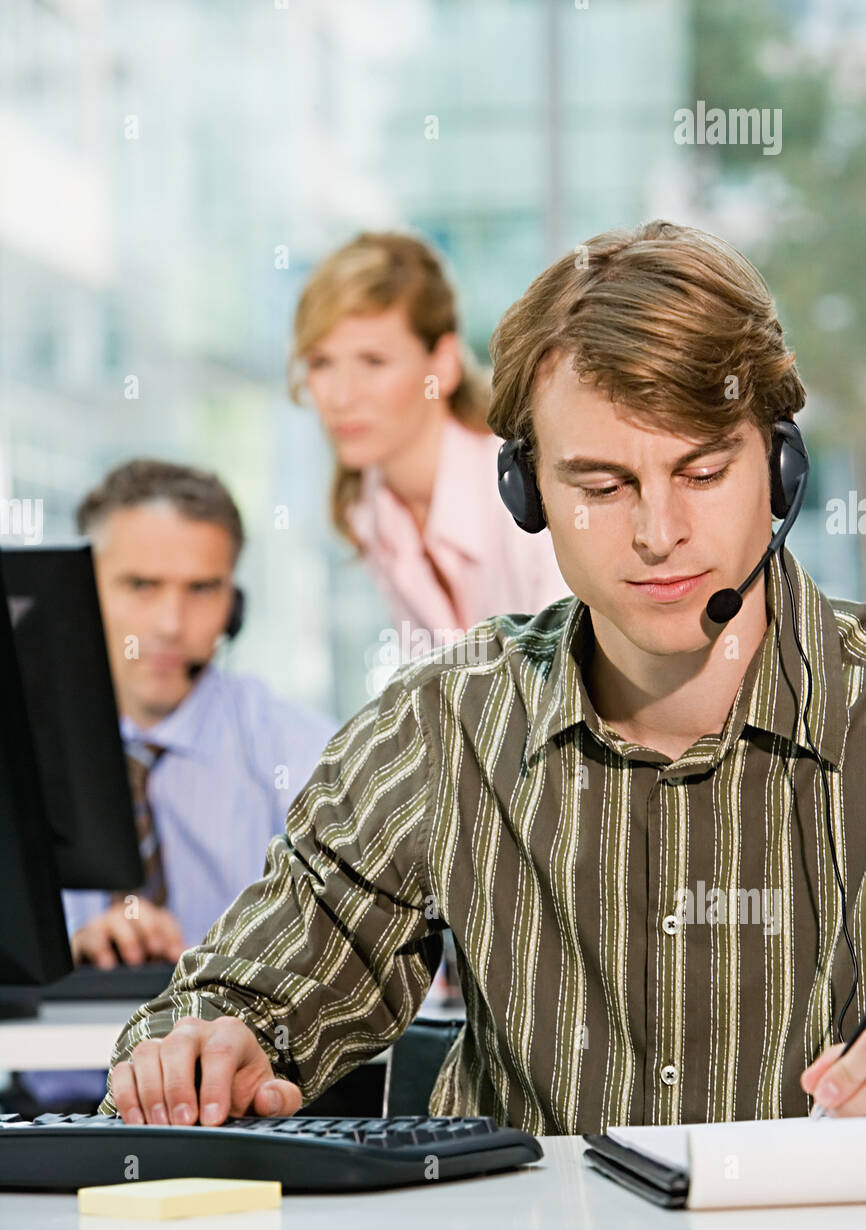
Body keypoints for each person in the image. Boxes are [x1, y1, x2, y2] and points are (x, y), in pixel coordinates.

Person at [98, 221, 866, 1134]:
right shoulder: (446, 722)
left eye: (701, 471)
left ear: (782, 471)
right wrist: (210, 1045)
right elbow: (241, 992)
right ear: (527, 494)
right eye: (603, 485)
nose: (660, 532)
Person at [14, 459, 337, 1114]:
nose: (170, 622)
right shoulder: (17, 733)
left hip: (227, 1110)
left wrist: (223, 964)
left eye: (201, 588)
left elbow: (363, 937)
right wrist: (49, 959)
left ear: (233, 605)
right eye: (140, 585)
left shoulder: (297, 746)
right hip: (39, 1102)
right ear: (80, 592)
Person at [289, 230, 570, 639]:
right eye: (321, 362)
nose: (341, 396)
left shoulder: (524, 491)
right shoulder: (372, 507)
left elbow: (572, 680)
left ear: (443, 364)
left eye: (373, 361)